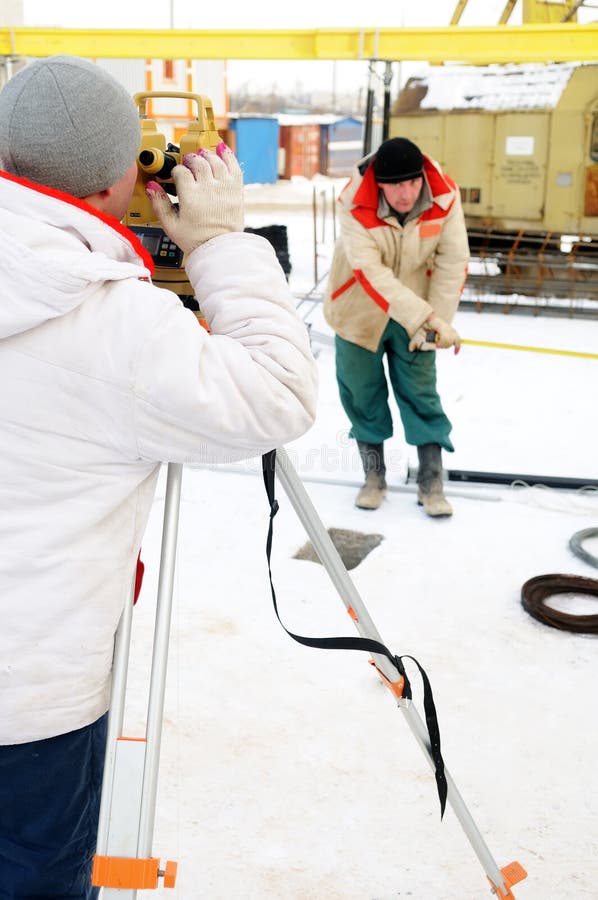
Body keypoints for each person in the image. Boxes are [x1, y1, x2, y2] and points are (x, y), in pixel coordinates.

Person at [0, 56, 317, 898]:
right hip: (27, 702)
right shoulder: (116, 322)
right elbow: (277, 394)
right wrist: (218, 246)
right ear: (120, 176)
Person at [323, 136, 469, 516]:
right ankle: (374, 479)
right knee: (362, 394)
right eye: (396, 185)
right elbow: (371, 274)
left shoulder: (444, 198)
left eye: (413, 182)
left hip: (418, 308)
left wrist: (437, 321)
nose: (406, 194)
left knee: (422, 394)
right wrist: (428, 317)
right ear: (379, 183)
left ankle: (431, 483)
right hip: (358, 309)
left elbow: (453, 261)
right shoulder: (354, 204)